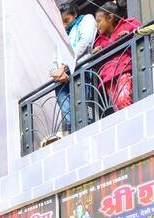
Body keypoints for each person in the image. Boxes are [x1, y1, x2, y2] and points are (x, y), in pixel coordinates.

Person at [50, 1, 97, 132]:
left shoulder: (86, 20)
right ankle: (73, 133)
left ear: (74, 14)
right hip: (61, 78)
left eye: (67, 20)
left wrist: (64, 67)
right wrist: (56, 72)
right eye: (62, 22)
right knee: (68, 115)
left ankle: (86, 132)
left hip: (79, 70)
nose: (65, 25)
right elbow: (54, 60)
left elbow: (84, 43)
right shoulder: (61, 34)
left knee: (82, 109)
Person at [93, 2, 140, 112]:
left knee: (123, 100)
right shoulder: (98, 41)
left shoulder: (128, 24)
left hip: (124, 70)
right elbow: (98, 62)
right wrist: (96, 54)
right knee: (117, 107)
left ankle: (132, 123)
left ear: (110, 18)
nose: (97, 25)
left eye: (99, 21)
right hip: (108, 77)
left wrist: (130, 35)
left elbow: (141, 32)